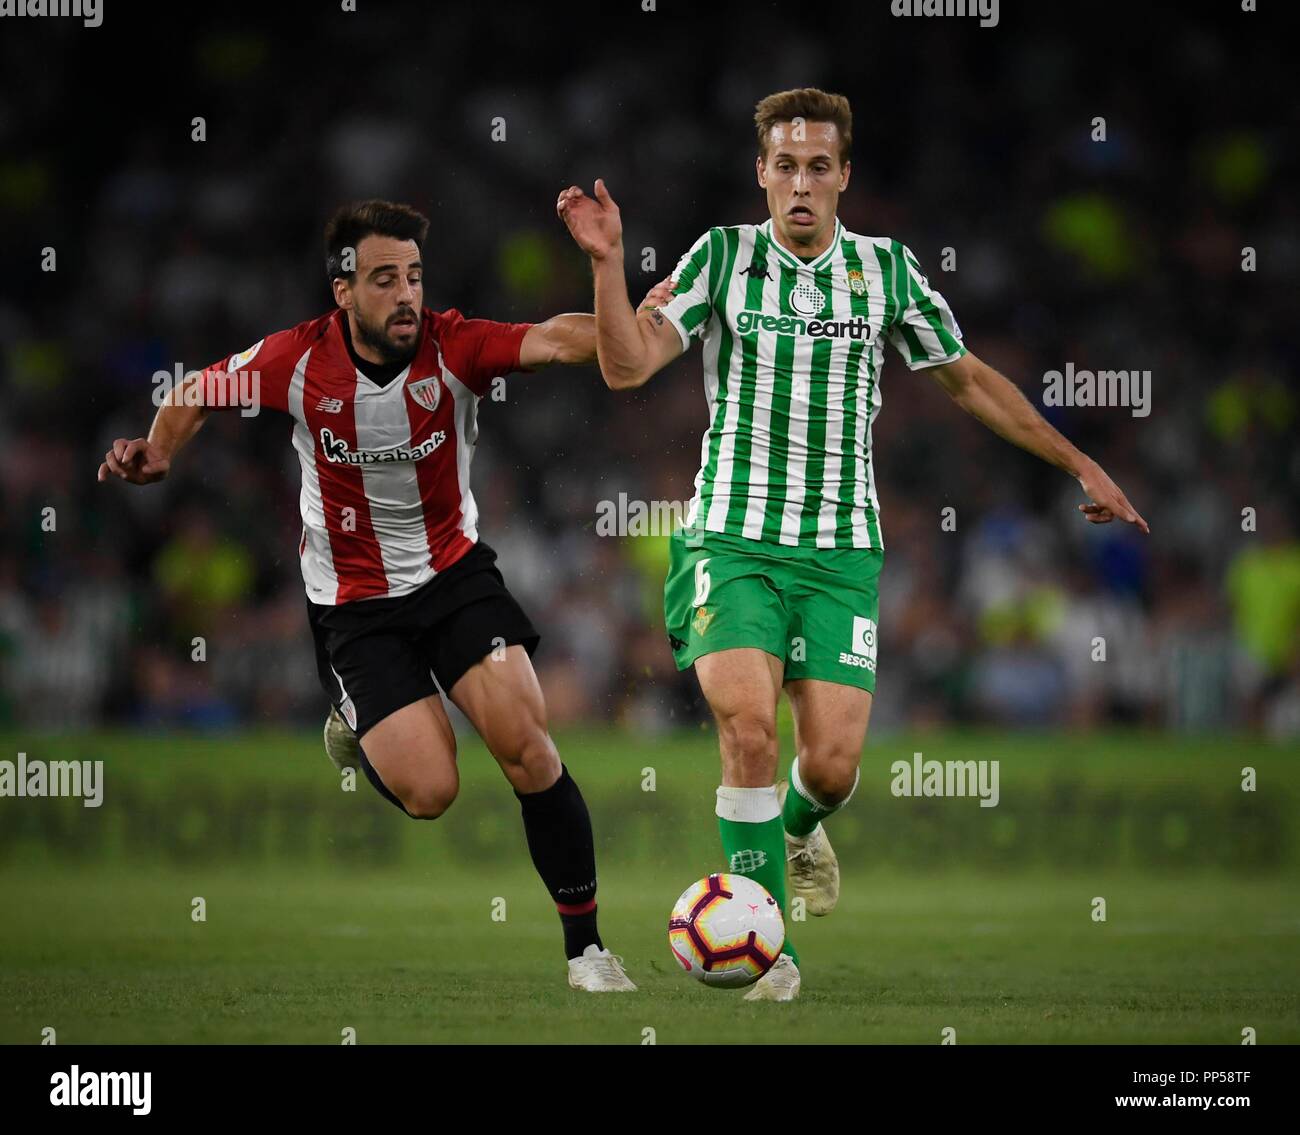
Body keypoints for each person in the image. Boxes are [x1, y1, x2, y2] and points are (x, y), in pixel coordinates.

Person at [559, 87, 1149, 1001]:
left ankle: (800, 826)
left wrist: (1080, 463)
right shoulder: (721, 257)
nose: (800, 184)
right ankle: (767, 942)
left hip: (840, 553)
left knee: (829, 766)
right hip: (731, 539)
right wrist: (605, 265)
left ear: (844, 176)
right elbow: (627, 365)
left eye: (818, 167)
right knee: (750, 731)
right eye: (784, 167)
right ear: (761, 173)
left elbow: (971, 382)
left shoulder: (888, 273)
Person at [98, 199, 666, 992]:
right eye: (385, 280)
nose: (407, 295)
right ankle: (355, 721)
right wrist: (158, 451)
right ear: (344, 293)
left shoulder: (454, 344)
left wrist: (610, 278)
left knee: (529, 747)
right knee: (433, 792)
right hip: (355, 604)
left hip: (454, 576)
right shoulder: (295, 362)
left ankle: (588, 953)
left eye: (415, 277)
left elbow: (559, 339)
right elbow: (196, 389)